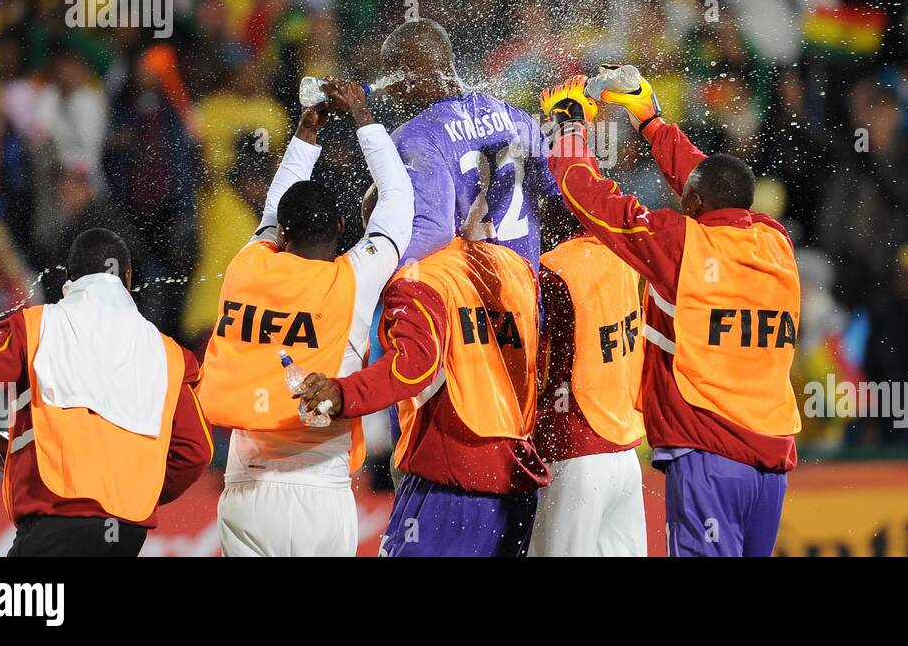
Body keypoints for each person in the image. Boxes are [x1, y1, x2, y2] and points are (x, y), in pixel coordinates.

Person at [537, 67, 801, 557]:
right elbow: (719, 188)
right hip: (771, 459)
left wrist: (568, 132)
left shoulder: (683, 245)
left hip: (709, 452)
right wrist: (651, 120)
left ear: (692, 202)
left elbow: (597, 204)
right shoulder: (774, 240)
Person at [198, 80, 412, 557]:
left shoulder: (246, 264)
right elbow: (398, 202)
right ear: (341, 227)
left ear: (282, 233)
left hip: (246, 490)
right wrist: (362, 116)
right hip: (322, 489)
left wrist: (307, 129)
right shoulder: (353, 280)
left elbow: (275, 208)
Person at [0, 228, 213, 556]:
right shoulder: (171, 355)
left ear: (69, 278)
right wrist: (141, 487)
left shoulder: (35, 328)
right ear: (128, 277)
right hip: (126, 533)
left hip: (55, 520)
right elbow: (197, 451)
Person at [297, 235, 549, 557]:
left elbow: (413, 367)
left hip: (450, 479)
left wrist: (342, 393)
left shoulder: (422, 277)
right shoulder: (517, 267)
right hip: (515, 478)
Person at [374, 17, 561, 270]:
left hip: (467, 303)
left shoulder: (414, 136)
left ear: (406, 74)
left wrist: (366, 267)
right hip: (526, 297)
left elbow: (432, 231)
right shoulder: (515, 116)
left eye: (388, 77)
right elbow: (560, 195)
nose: (389, 91)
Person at [529, 224, 647, 557]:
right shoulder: (623, 254)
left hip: (573, 448)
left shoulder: (552, 268)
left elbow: (532, 360)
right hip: (624, 453)